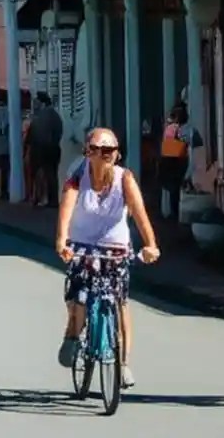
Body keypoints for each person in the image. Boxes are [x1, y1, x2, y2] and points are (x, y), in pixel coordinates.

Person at [55, 127, 160, 390]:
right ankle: (72, 335)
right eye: (98, 150)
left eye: (110, 150)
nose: (105, 155)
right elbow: (66, 208)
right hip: (82, 244)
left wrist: (151, 245)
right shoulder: (78, 175)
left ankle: (123, 364)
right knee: (78, 295)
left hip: (115, 247)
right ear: (88, 152)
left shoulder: (125, 179)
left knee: (120, 301)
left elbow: (138, 212)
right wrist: (62, 240)